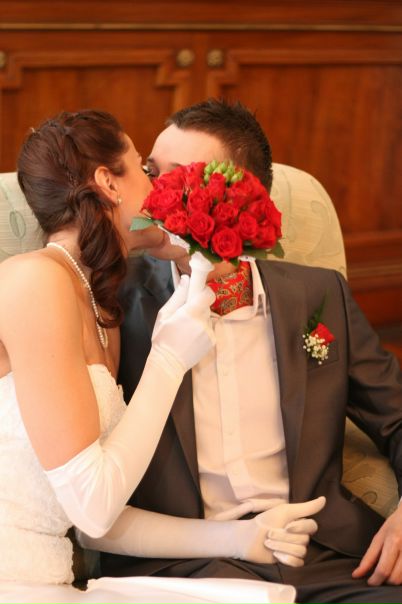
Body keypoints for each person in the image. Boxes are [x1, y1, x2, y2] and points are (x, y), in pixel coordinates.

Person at [97, 99, 402, 604]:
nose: (153, 193)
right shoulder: (114, 301)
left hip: (327, 557)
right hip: (191, 569)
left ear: (240, 199)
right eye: (151, 173)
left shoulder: (319, 295)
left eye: (180, 178)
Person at [0, 109, 219, 589]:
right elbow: (93, 507)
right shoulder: (34, 280)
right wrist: (169, 360)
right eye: (144, 169)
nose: (158, 186)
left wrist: (239, 538)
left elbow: (99, 519)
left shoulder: (102, 307)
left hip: (49, 577)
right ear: (108, 182)